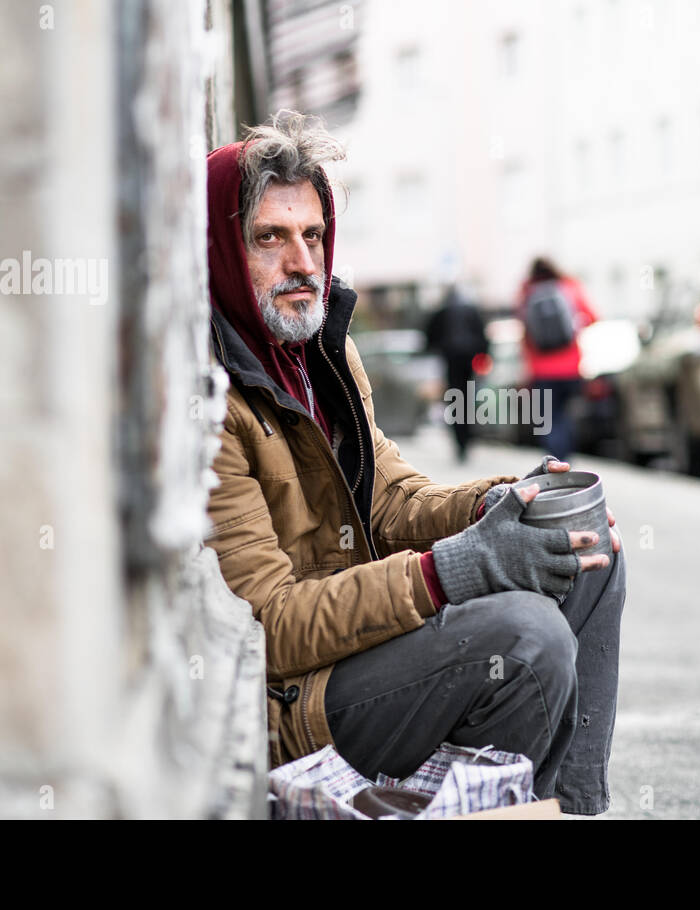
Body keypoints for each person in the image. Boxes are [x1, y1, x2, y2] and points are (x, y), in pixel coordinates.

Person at [202, 111, 627, 815]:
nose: (303, 262)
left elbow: (394, 500)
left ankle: (565, 809)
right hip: (293, 700)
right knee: (527, 638)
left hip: (364, 645)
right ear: (222, 250)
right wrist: (452, 570)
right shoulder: (209, 398)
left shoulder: (321, 355)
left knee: (587, 551)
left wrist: (508, 501)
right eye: (269, 238)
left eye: (312, 236)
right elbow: (270, 626)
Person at [516, 258, 599, 461]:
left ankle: (555, 461)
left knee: (550, 418)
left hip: (541, 370)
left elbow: (525, 334)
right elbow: (593, 316)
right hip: (571, 367)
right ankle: (566, 460)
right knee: (565, 414)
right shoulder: (569, 286)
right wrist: (574, 328)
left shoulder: (527, 292)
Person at [424, 285, 488, 463]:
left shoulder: (442, 311)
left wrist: (438, 349)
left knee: (454, 399)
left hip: (451, 360)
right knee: (468, 399)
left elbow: (429, 336)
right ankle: (467, 439)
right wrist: (483, 356)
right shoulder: (471, 310)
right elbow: (483, 336)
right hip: (469, 360)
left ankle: (461, 442)